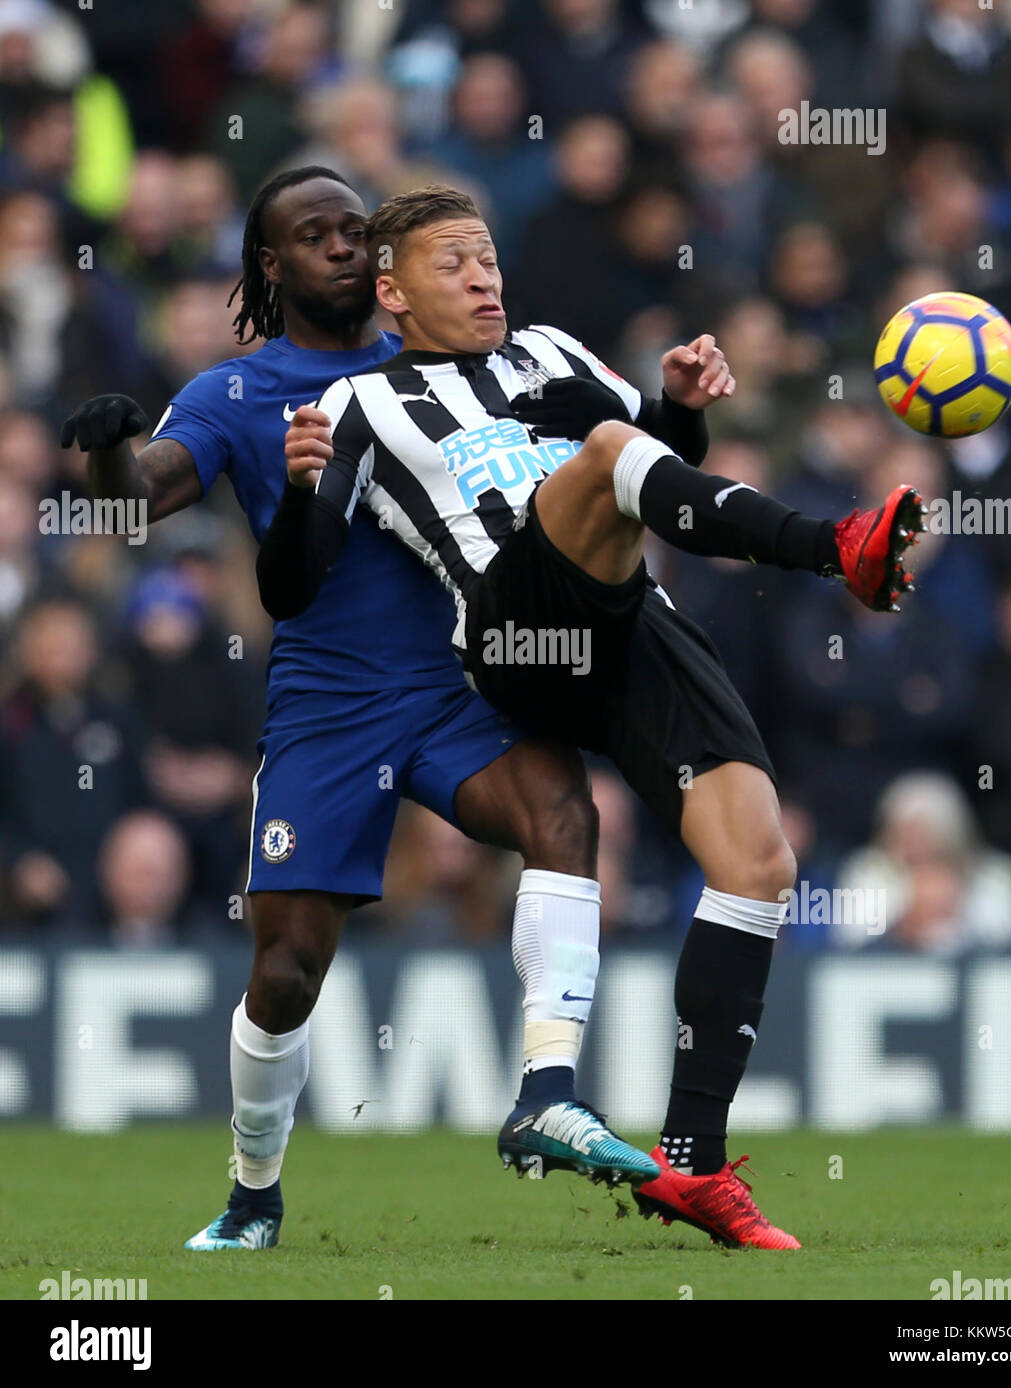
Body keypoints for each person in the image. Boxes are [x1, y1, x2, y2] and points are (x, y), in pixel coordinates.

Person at [263, 184, 926, 1250]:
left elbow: (664, 467)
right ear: (392, 290)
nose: (485, 278)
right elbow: (293, 586)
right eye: (455, 264)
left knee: (758, 864)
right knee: (613, 452)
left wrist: (682, 409)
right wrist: (299, 493)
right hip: (517, 632)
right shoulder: (355, 408)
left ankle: (693, 1163)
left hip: (630, 624)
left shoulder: (554, 352)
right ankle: (834, 546)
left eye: (488, 258)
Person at [60, 166, 663, 1254]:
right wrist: (107, 447)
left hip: (456, 682)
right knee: (286, 972)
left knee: (565, 813)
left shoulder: (436, 358)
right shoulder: (235, 393)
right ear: (270, 264)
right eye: (316, 235)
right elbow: (132, 494)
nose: (344, 248)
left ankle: (548, 1090)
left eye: (356, 231)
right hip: (328, 707)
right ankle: (253, 1189)